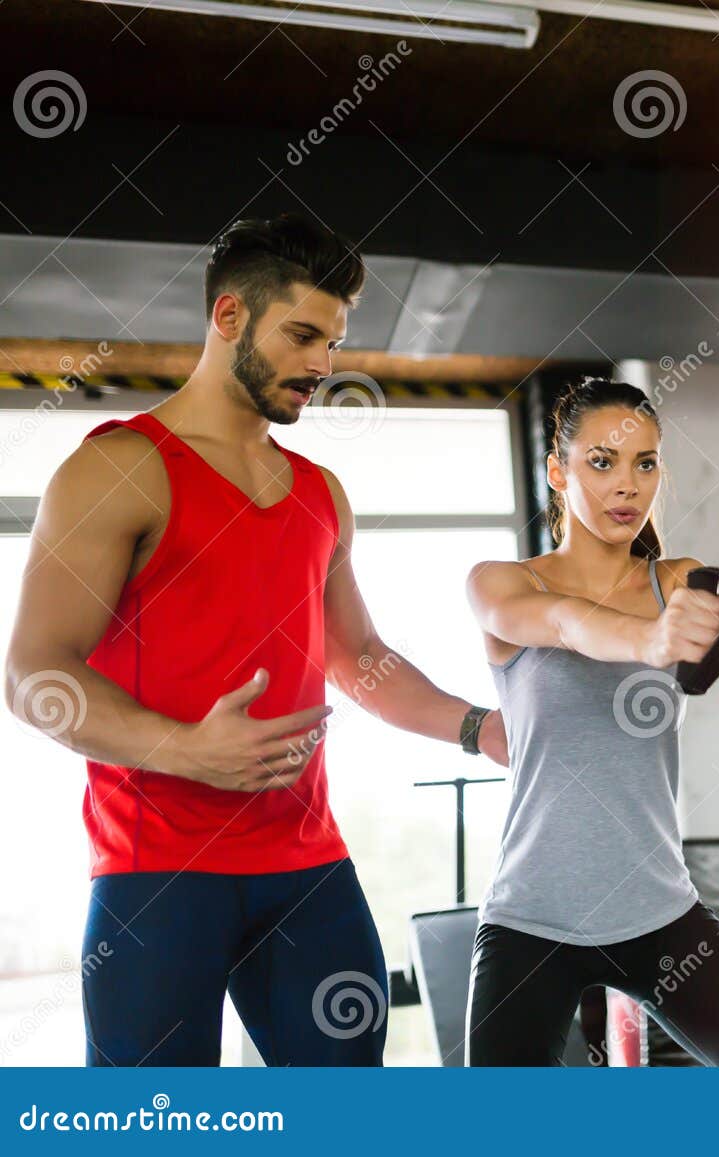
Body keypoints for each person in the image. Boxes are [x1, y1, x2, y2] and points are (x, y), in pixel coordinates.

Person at [3, 212, 509, 1067]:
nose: (323, 364)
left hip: (307, 866)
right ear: (229, 317)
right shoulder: (121, 469)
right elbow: (31, 672)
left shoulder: (322, 493)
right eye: (303, 334)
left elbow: (359, 660)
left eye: (334, 342)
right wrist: (187, 749)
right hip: (157, 876)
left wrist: (480, 727)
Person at [463, 377, 719, 1066]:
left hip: (660, 913)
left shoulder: (679, 581)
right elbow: (568, 624)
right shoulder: (502, 583)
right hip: (532, 918)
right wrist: (653, 640)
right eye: (602, 461)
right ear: (558, 471)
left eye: (645, 463)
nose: (626, 485)